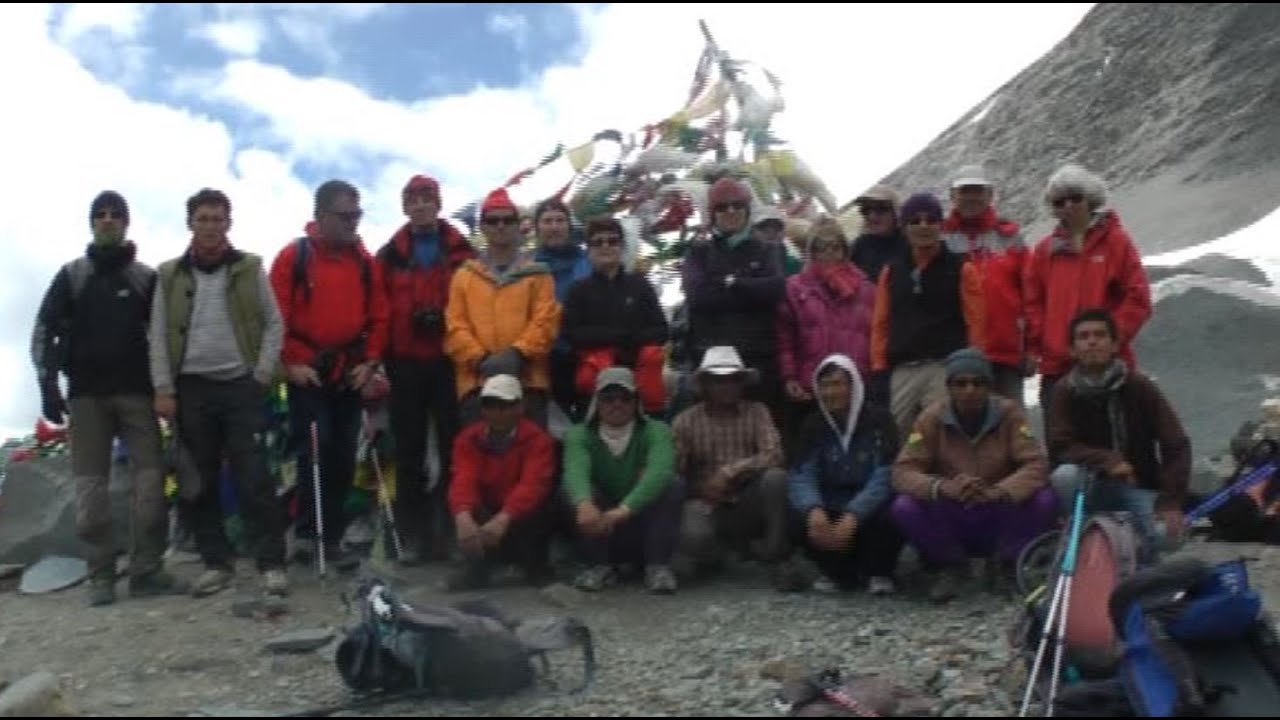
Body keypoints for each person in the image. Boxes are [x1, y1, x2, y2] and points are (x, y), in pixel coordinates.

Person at [30, 190, 184, 606]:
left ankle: (146, 570)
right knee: (90, 492)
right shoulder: (72, 275)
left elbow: (164, 340)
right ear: (91, 223)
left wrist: (165, 388)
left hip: (138, 394)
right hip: (85, 397)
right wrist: (46, 384)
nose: (108, 219)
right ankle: (100, 575)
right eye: (100, 214)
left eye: (116, 214)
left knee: (151, 485)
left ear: (127, 222)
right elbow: (44, 329)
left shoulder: (146, 278)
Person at [150, 188, 288, 597]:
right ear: (190, 223)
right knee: (199, 480)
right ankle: (217, 562)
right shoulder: (170, 275)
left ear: (229, 222)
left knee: (255, 477)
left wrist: (261, 374)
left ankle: (271, 563)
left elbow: (274, 323)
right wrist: (163, 388)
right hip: (191, 388)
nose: (210, 226)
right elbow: (156, 334)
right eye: (202, 219)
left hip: (240, 385)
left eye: (217, 219)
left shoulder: (248, 268)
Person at [270, 179, 389, 571]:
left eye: (357, 215)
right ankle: (307, 534)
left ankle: (331, 538)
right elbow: (276, 319)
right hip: (307, 373)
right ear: (321, 216)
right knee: (313, 453)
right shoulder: (294, 257)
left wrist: (370, 363)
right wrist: (291, 366)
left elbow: (380, 317)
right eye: (345, 215)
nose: (354, 222)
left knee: (340, 456)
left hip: (348, 373)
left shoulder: (364, 263)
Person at [891, 347, 1055, 602]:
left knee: (1045, 499)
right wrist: (943, 487)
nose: (969, 390)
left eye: (978, 383)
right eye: (961, 383)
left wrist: (1000, 490)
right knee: (904, 507)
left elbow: (1036, 464)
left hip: (997, 509)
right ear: (949, 387)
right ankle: (950, 567)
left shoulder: (1010, 414)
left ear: (989, 386)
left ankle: (1009, 564)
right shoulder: (930, 418)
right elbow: (903, 471)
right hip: (953, 510)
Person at [374, 174, 476, 563]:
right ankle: (413, 537)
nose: (420, 206)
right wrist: (378, 360)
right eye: (413, 200)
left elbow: (474, 303)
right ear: (404, 207)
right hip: (404, 363)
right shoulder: (390, 255)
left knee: (455, 450)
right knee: (409, 453)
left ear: (438, 203)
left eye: (426, 199)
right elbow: (379, 310)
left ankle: (452, 533)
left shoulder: (462, 252)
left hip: (450, 359)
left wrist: (446, 321)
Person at [1048, 308, 1190, 552]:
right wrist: (1107, 460)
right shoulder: (1064, 391)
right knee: (1064, 476)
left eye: (1100, 335)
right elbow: (1060, 444)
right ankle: (1078, 533)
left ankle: (1134, 552)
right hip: (1090, 487)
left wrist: (1170, 502)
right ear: (1072, 350)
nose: (1092, 342)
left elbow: (1175, 444)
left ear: (1115, 345)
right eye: (1083, 337)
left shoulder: (1139, 386)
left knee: (1165, 535)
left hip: (1138, 486)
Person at [1024, 163, 1152, 415]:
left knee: (1118, 443)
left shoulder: (1117, 242)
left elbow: (1138, 297)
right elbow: (1033, 303)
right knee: (1063, 445)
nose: (1068, 206)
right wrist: (1044, 344)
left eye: (1075, 198)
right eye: (1060, 201)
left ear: (1090, 199)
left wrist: (1109, 339)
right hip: (1057, 367)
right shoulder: (1043, 251)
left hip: (1109, 366)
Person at [672, 346, 799, 589]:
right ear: (705, 384)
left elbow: (775, 455)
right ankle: (720, 555)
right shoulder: (684, 421)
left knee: (777, 479)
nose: (728, 386)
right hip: (706, 502)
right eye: (719, 381)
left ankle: (777, 556)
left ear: (742, 383)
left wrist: (732, 471)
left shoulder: (757, 412)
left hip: (748, 499)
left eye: (734, 379)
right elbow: (675, 473)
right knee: (694, 536)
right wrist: (701, 489)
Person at [870, 192, 985, 438]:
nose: (923, 226)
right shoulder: (891, 271)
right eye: (915, 221)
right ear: (904, 227)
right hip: (903, 370)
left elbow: (975, 323)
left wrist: (973, 365)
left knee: (944, 437)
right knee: (897, 437)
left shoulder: (962, 268)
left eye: (930, 219)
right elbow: (881, 323)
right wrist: (879, 367)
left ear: (940, 225)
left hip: (943, 367)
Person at [444, 188, 560, 427]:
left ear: (518, 226)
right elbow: (454, 326)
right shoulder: (464, 276)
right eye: (493, 220)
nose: (500, 226)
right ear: (483, 227)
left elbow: (546, 321)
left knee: (532, 460)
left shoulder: (539, 274)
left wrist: (517, 354)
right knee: (480, 460)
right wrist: (480, 360)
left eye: (508, 220)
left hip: (528, 382)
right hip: (477, 383)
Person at [787, 354, 901, 594]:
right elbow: (801, 474)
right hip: (831, 505)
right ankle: (837, 572)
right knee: (797, 516)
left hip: (869, 508)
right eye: (824, 385)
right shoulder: (813, 425)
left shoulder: (880, 420)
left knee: (895, 510)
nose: (830, 392)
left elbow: (884, 474)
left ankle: (879, 571)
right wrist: (813, 509)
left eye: (837, 384)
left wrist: (854, 514)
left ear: (854, 386)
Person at [563, 367, 681, 594]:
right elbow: (575, 470)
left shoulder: (657, 430)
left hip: (641, 520)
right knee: (569, 492)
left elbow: (661, 470)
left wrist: (624, 510)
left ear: (636, 402)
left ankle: (657, 567)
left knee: (672, 484)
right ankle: (599, 566)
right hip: (600, 524)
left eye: (625, 398)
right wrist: (584, 503)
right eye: (608, 398)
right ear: (596, 403)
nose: (617, 404)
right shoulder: (578, 434)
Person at [682, 177, 786, 420]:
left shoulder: (768, 249)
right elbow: (698, 297)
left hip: (759, 363)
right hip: (711, 365)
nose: (730, 211)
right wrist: (750, 289)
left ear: (747, 209)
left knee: (763, 439)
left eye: (737, 205)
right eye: (722, 207)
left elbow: (775, 290)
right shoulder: (698, 252)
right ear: (712, 213)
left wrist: (731, 283)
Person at [776, 215, 875, 461]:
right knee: (809, 455)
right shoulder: (795, 287)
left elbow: (875, 336)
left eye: (835, 247)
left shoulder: (867, 289)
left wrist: (872, 377)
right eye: (821, 247)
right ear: (811, 251)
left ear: (845, 250)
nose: (829, 253)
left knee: (855, 454)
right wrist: (789, 376)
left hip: (855, 384)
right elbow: (785, 336)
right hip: (810, 386)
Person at [445, 375, 555, 590]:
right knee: (464, 506)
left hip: (520, 515)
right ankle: (477, 569)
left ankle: (535, 565)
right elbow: (463, 478)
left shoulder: (538, 440)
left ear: (520, 407)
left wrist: (504, 518)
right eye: (490, 405)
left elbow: (533, 485)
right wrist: (462, 516)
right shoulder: (468, 438)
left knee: (542, 507)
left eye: (505, 405)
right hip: (490, 510)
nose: (497, 411)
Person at [940, 164, 1030, 403]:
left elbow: (1032, 296)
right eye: (964, 191)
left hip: (1006, 353)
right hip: (956, 354)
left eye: (977, 191)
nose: (971, 197)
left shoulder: (1010, 237)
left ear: (990, 195)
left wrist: (1032, 348)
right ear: (952, 196)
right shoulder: (939, 238)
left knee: (1012, 428)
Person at [562, 217, 669, 416]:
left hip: (639, 376)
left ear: (621, 246)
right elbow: (572, 334)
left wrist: (631, 342)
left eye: (612, 241)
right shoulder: (578, 290)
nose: (606, 246)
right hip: (597, 381)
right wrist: (617, 337)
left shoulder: (640, 285)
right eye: (598, 242)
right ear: (588, 249)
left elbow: (661, 330)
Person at [531, 198, 591, 419]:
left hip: (585, 351)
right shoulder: (527, 266)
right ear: (537, 228)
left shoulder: (588, 260)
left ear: (568, 225)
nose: (554, 227)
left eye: (560, 220)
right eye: (547, 221)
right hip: (544, 356)